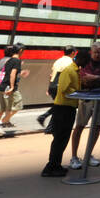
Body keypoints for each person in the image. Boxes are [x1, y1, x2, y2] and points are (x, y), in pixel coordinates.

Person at [70, 41, 100, 169]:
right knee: (79, 126)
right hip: (86, 99)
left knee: (96, 127)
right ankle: (74, 156)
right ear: (91, 51)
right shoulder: (85, 62)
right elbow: (84, 78)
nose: (96, 55)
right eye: (94, 52)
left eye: (99, 52)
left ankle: (88, 155)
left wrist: (94, 78)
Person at [41, 49, 85, 177]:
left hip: (67, 107)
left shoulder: (73, 69)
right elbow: (64, 88)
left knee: (62, 138)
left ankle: (55, 165)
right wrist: (79, 92)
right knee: (60, 138)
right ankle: (51, 166)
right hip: (64, 107)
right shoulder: (70, 70)